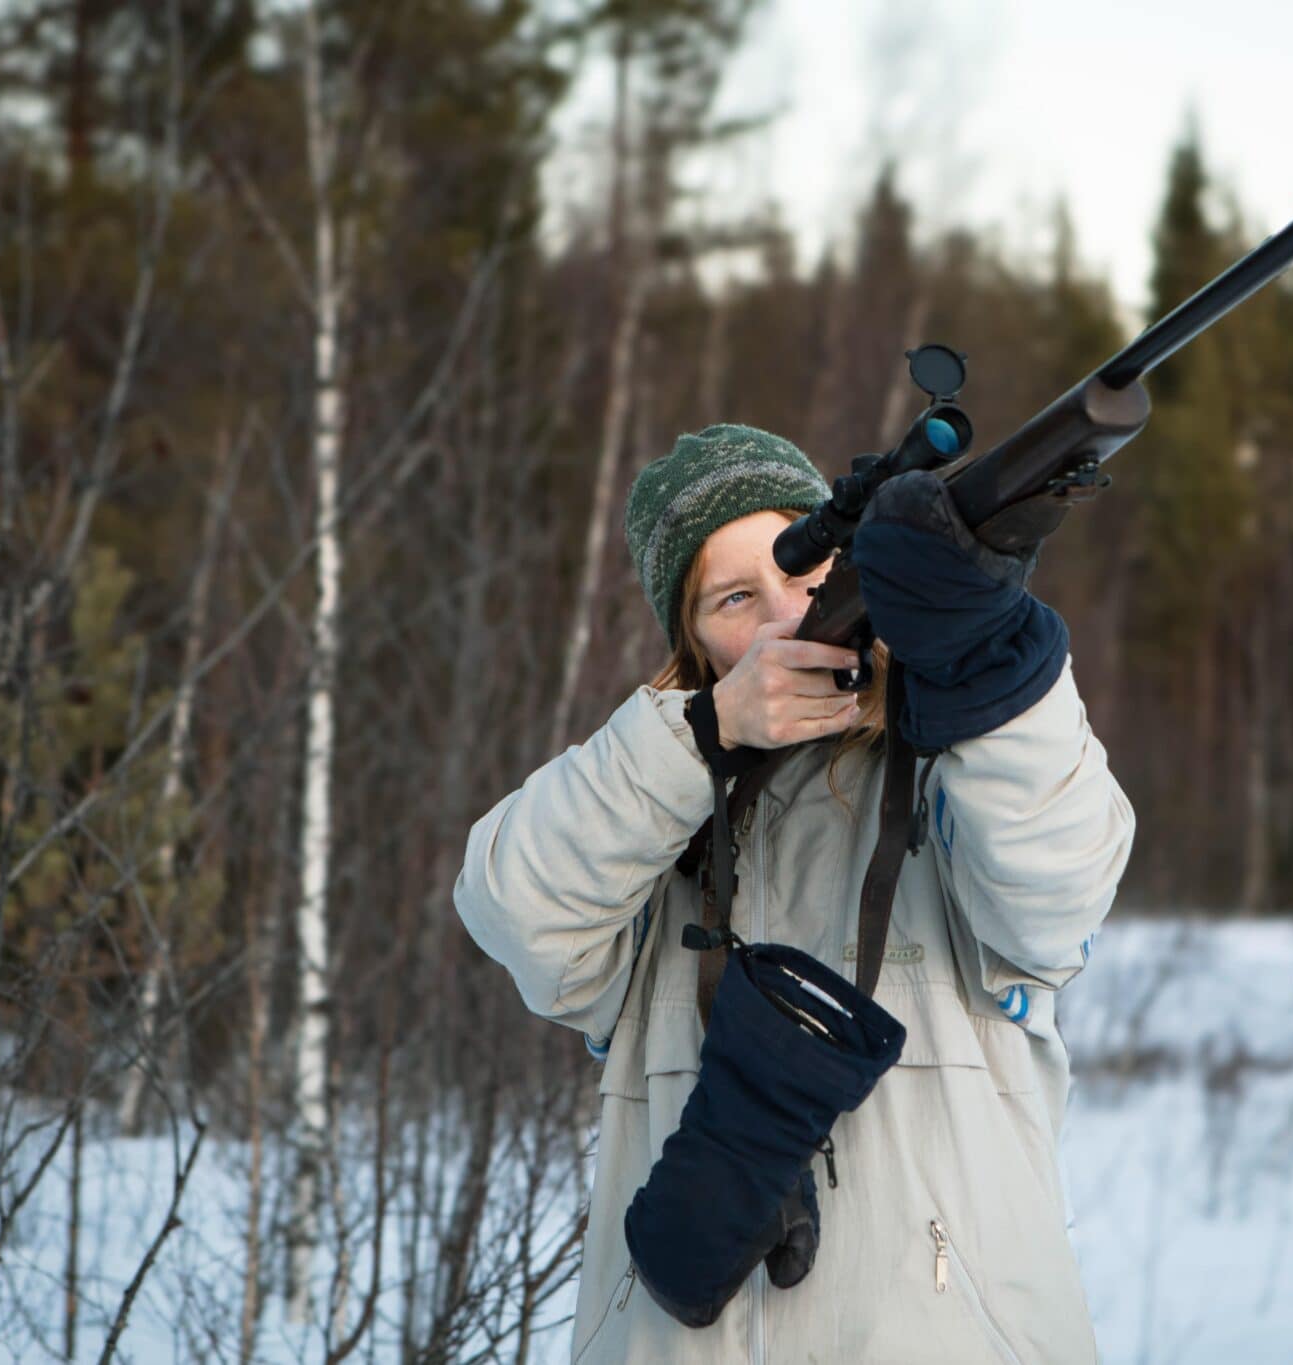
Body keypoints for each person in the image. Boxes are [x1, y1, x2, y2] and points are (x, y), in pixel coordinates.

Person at [455, 422, 1135, 1362]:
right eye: (736, 596)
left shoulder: (957, 764)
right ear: (690, 644)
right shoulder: (651, 826)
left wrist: (989, 654)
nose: (785, 614)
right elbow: (511, 906)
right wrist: (700, 739)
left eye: (808, 573)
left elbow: (1058, 886)